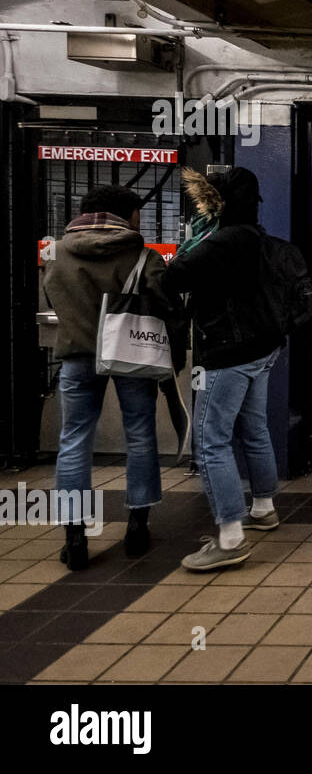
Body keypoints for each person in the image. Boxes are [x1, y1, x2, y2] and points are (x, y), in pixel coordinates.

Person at [41, 185, 177, 569]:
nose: (139, 220)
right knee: (140, 432)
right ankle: (137, 525)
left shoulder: (55, 253)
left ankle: (75, 536)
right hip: (130, 354)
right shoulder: (141, 255)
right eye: (137, 213)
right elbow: (164, 302)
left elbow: (52, 300)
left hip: (76, 354)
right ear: (124, 214)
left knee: (74, 440)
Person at [163, 167, 286, 571]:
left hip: (229, 351)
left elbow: (174, 276)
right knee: (254, 428)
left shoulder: (223, 240)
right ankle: (264, 507)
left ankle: (231, 538)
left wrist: (194, 236)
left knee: (211, 440)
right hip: (263, 346)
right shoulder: (256, 237)